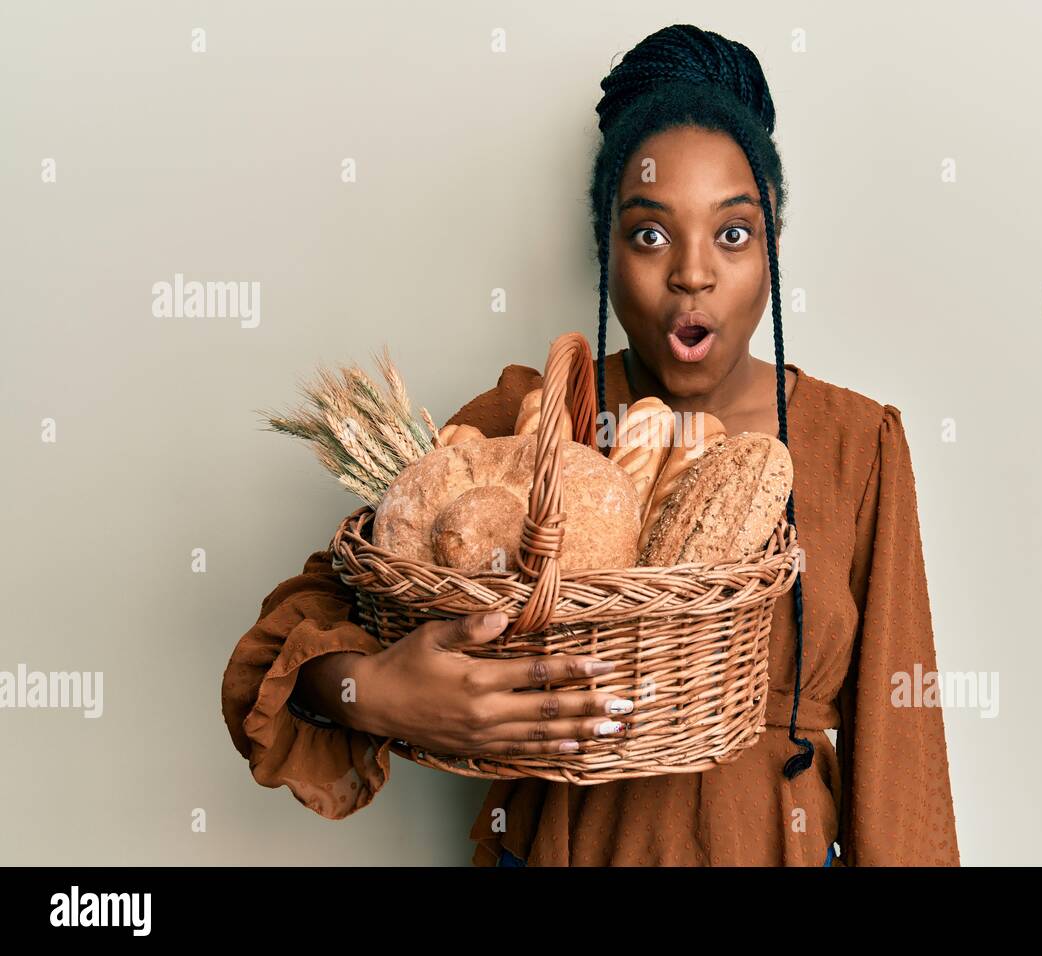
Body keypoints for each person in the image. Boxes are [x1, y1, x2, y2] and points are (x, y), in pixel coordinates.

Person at [220, 23, 960, 867]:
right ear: (604, 249)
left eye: (733, 233)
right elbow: (281, 646)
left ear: (774, 252)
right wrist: (381, 694)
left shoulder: (856, 446)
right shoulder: (530, 423)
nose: (692, 273)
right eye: (650, 234)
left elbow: (901, 752)